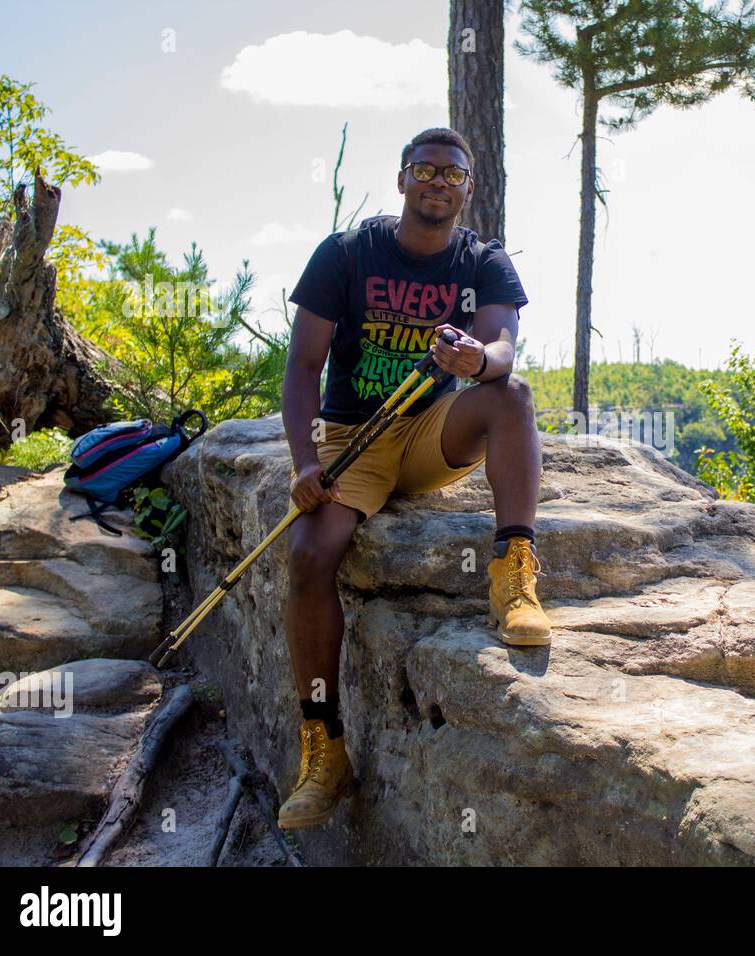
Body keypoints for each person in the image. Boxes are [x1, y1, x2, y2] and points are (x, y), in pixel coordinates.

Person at [276, 127, 549, 830]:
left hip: (431, 432)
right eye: (425, 171)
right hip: (351, 439)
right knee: (310, 556)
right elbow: (303, 365)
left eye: (453, 175)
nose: (439, 182)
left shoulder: (483, 259)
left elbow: (503, 351)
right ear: (402, 180)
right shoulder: (346, 254)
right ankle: (324, 749)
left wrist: (474, 363)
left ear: (469, 189)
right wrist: (308, 463)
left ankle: (513, 571)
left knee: (511, 398)